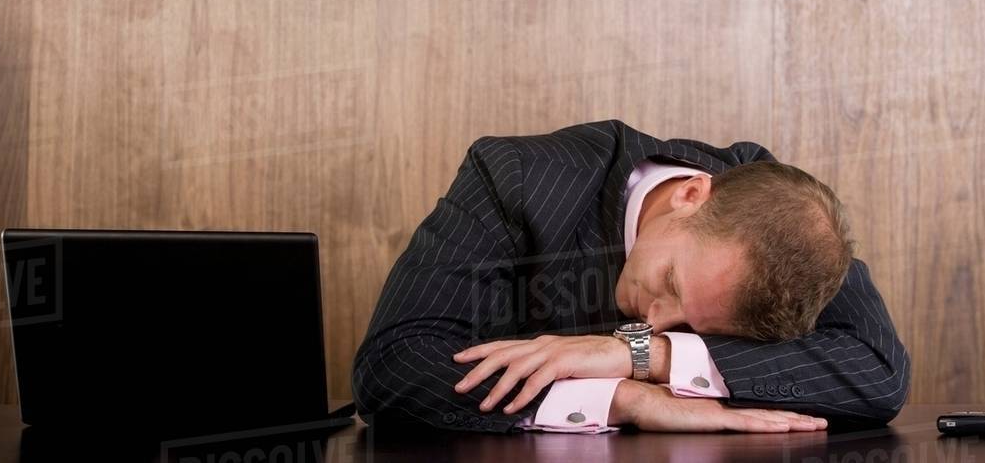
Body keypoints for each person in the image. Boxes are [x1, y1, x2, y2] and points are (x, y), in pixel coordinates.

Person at [352, 119, 909, 433]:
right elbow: (393, 365)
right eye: (671, 283)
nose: (654, 318)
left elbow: (879, 370)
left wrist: (641, 355)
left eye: (690, 323)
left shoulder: (785, 222)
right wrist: (619, 396)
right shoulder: (517, 179)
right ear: (693, 194)